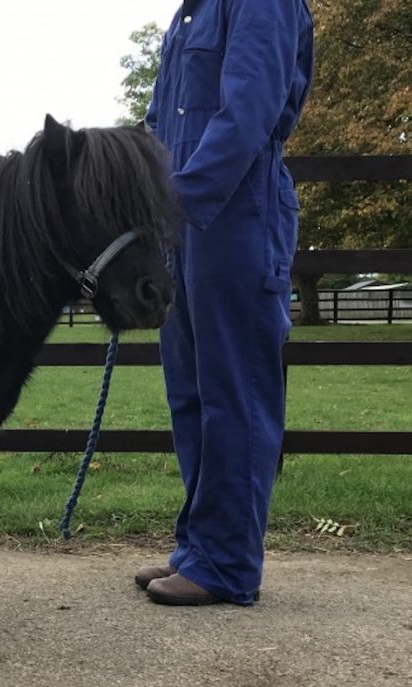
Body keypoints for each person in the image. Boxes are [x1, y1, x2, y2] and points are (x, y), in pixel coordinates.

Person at [138, 0, 314, 606]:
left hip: (238, 215)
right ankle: (199, 546)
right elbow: (162, 121)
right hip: (183, 225)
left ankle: (228, 563)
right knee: (190, 393)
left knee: (233, 392)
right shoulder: (192, 13)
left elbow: (249, 111)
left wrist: (172, 201)